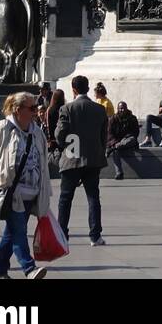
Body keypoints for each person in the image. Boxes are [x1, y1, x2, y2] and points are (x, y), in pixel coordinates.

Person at [0, 90, 51, 280]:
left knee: (11, 233)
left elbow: (43, 164)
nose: (36, 111)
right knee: (19, 231)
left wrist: (45, 191)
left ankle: (0, 271)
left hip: (33, 192)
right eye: (32, 108)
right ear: (18, 110)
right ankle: (29, 268)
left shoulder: (37, 132)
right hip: (12, 192)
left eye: (36, 107)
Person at [55, 75, 109, 247]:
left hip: (72, 155)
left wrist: (66, 146)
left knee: (65, 198)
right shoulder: (99, 109)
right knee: (93, 197)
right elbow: (103, 136)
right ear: (87, 88)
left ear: (74, 89)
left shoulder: (67, 108)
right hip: (93, 159)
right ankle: (95, 235)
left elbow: (60, 134)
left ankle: (62, 233)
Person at [107, 101, 140, 179]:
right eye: (120, 108)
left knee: (132, 139)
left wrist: (126, 138)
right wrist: (116, 142)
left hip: (129, 141)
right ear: (117, 109)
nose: (122, 110)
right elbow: (109, 134)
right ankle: (119, 173)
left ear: (126, 108)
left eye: (124, 108)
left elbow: (135, 132)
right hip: (117, 142)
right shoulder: (113, 119)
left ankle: (114, 147)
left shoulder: (132, 118)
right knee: (116, 151)